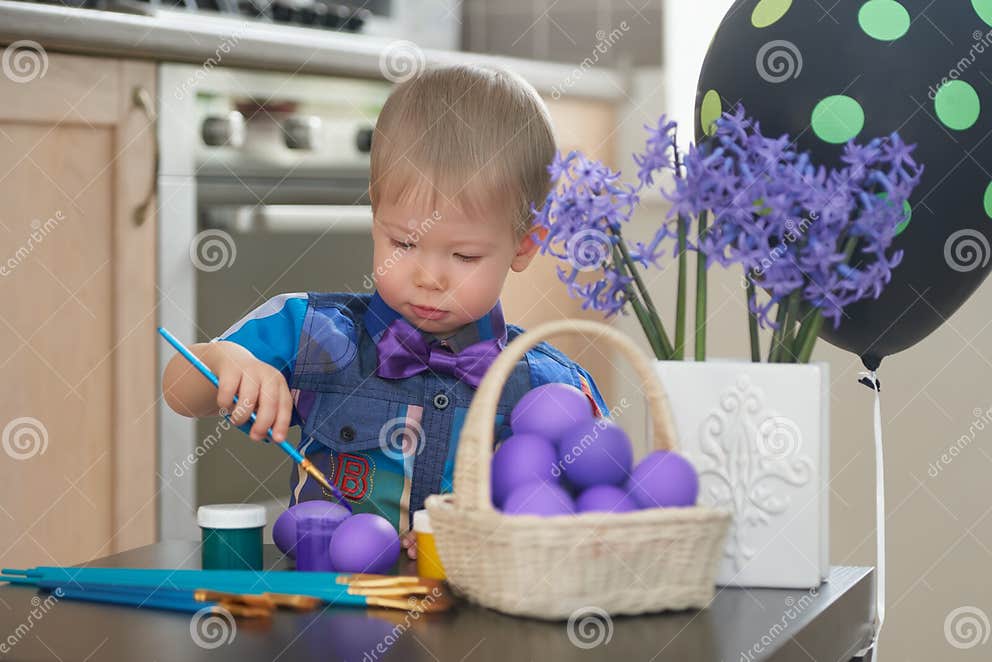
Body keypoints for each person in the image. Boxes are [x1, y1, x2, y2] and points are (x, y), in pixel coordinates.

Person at [162, 64, 609, 561]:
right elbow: (179, 389)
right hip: (321, 615)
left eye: (464, 256)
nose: (429, 277)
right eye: (404, 242)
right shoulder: (314, 332)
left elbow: (596, 510)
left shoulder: (550, 388)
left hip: (475, 627)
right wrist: (228, 363)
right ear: (375, 214)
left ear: (525, 247)